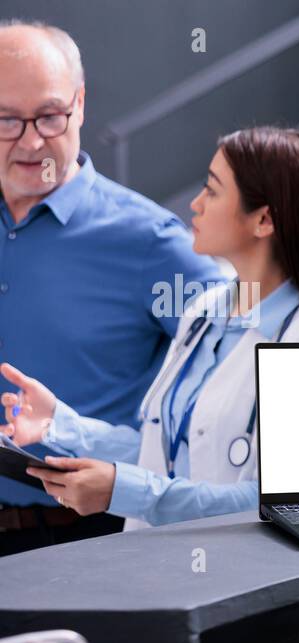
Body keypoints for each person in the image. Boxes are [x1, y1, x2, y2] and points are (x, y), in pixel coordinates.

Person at [2, 126, 299, 529]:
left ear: (262, 220)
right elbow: (163, 451)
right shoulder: (203, 315)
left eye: (212, 189)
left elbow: (282, 502)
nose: (196, 203)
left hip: (245, 583)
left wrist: (124, 491)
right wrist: (62, 425)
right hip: (166, 576)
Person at [0, 19, 227, 554]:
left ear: (80, 105)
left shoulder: (152, 242)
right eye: (7, 120)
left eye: (51, 116)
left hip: (85, 538)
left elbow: (245, 357)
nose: (32, 141)